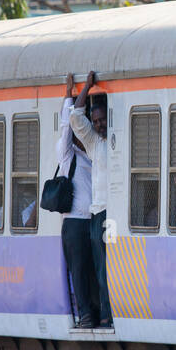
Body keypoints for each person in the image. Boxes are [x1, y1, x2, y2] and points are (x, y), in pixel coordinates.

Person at [71, 71, 113, 328]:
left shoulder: (120, 140)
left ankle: (117, 313)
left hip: (117, 214)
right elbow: (76, 117)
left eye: (102, 120)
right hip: (99, 213)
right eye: (95, 121)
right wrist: (86, 87)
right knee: (101, 270)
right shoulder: (95, 143)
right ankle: (106, 315)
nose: (98, 125)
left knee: (115, 269)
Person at [59, 75, 101, 327]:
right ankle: (84, 313)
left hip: (95, 218)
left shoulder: (95, 148)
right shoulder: (67, 153)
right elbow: (67, 124)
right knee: (79, 269)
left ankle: (99, 312)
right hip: (74, 222)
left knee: (97, 268)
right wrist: (70, 93)